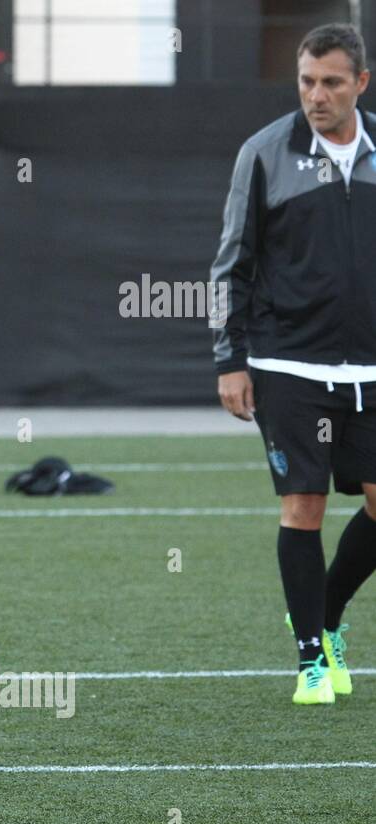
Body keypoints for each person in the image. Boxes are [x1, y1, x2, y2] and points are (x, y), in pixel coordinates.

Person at [212, 22, 376, 705]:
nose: (317, 95)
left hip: (371, 366)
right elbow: (231, 264)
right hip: (287, 363)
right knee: (302, 506)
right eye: (307, 80)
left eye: (332, 82)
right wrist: (231, 358)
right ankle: (311, 659)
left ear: (360, 83)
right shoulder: (264, 153)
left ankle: (324, 615)